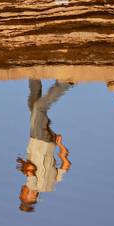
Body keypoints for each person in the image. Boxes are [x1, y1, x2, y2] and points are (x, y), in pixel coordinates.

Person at [17, 78, 72, 212]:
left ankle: (34, 76)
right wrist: (23, 165)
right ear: (31, 196)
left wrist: (60, 144)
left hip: (49, 141)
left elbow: (66, 165)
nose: (21, 191)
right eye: (22, 195)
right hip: (38, 139)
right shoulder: (32, 185)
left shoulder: (51, 186)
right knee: (39, 108)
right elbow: (30, 169)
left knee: (32, 105)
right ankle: (65, 84)